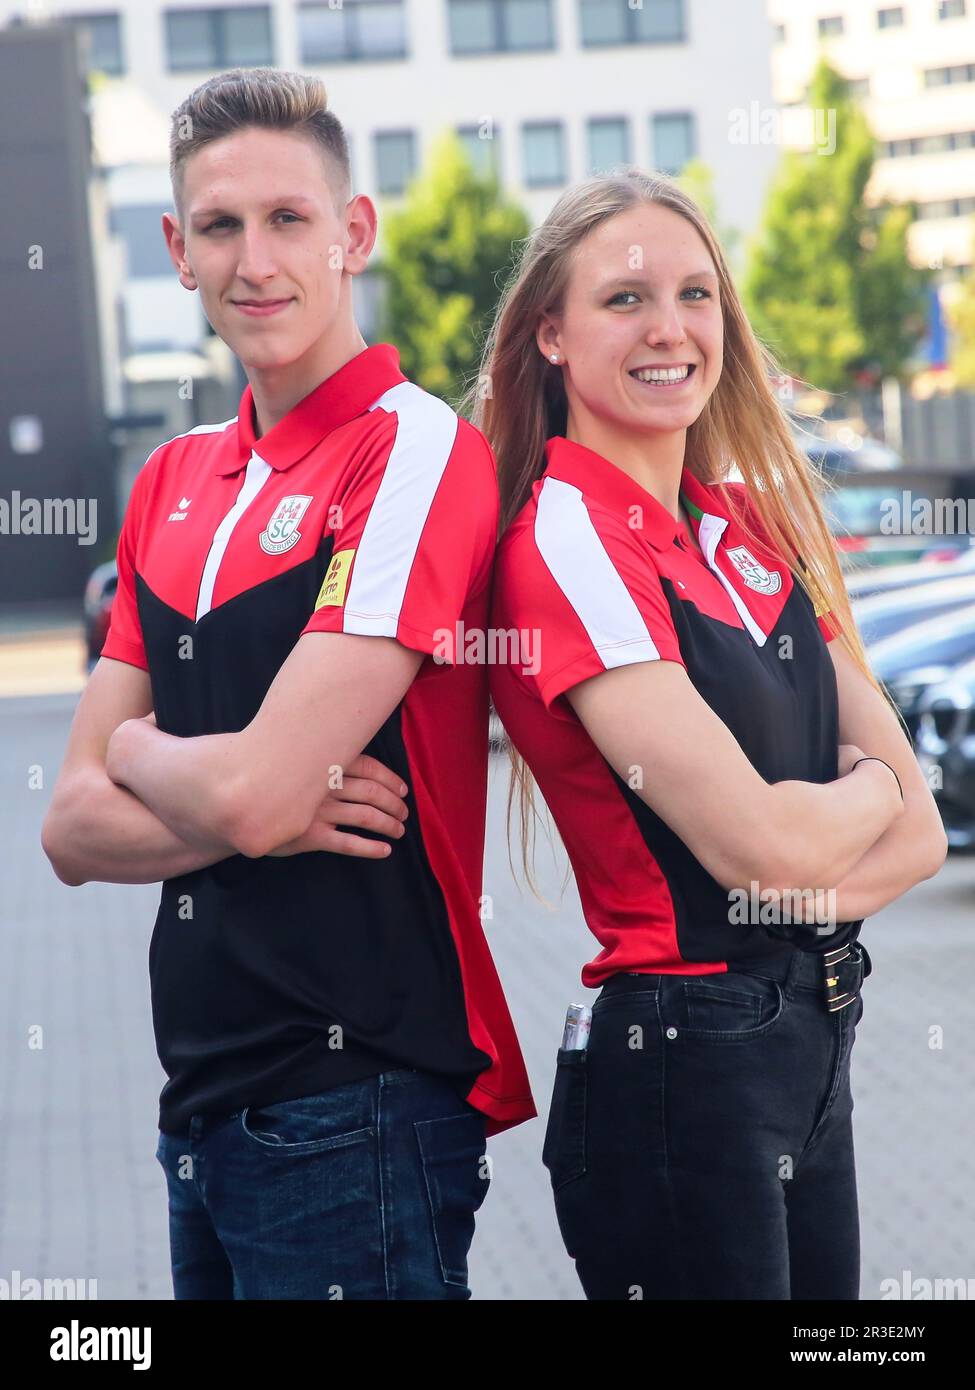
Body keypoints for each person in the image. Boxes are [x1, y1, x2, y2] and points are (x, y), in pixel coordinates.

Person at [41, 67, 534, 1301]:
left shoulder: (415, 449)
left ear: (353, 231)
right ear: (176, 250)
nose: (254, 260)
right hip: (199, 1115)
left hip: (358, 1106)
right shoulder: (168, 481)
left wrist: (148, 753)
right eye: (219, 226)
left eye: (288, 220)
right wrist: (238, 786)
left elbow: (243, 798)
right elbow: (67, 827)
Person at [472, 169, 948, 1300]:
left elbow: (922, 833)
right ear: (551, 330)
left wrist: (837, 822)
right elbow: (768, 846)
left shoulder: (753, 525)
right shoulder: (566, 546)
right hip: (682, 1061)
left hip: (811, 1033)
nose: (671, 328)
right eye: (626, 298)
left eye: (696, 294)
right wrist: (868, 789)